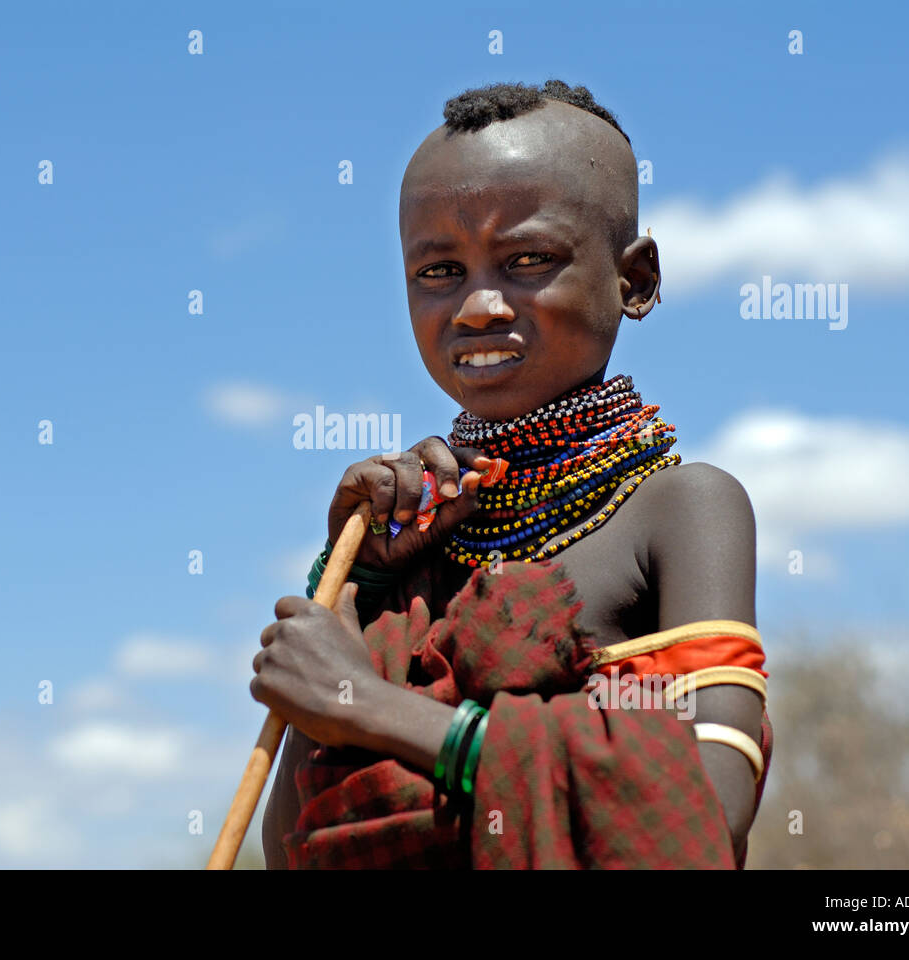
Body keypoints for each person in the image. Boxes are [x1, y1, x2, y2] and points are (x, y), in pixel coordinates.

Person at [251, 80, 769, 869]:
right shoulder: (403, 538)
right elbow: (300, 842)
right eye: (438, 271)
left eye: (529, 259)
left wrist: (371, 706)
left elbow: (705, 806)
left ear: (636, 281)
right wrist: (356, 580)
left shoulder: (680, 508)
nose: (478, 306)